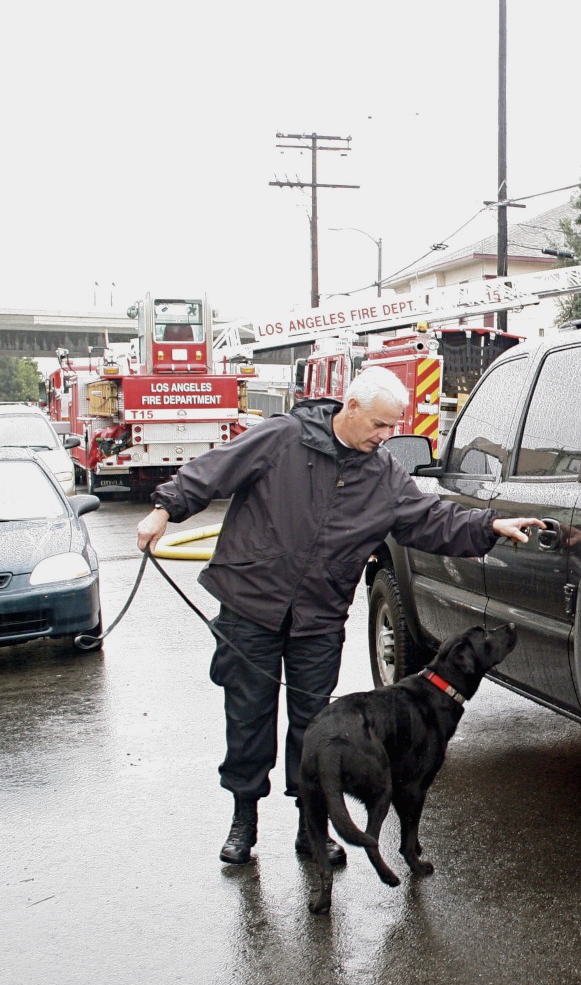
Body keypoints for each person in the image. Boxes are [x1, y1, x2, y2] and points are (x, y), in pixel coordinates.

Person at [135, 366, 541, 866]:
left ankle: (313, 829)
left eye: (393, 426)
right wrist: (164, 510)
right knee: (248, 716)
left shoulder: (385, 474)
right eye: (379, 425)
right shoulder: (282, 437)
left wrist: (489, 525)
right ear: (349, 408)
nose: (386, 436)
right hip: (250, 604)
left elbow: (429, 520)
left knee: (315, 727)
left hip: (319, 617)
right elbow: (214, 469)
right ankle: (244, 819)